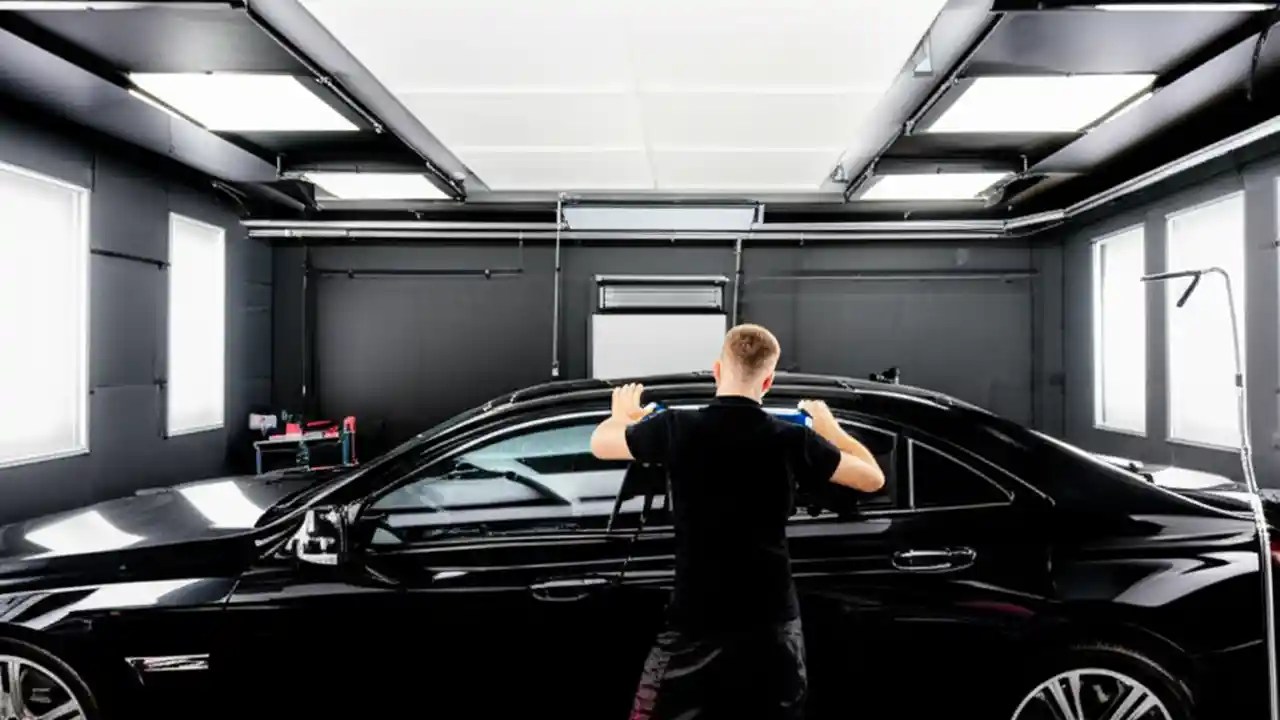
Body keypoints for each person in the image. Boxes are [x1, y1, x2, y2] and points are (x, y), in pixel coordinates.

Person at [589, 323, 886, 720]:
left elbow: (601, 442)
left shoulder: (677, 427)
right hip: (771, 625)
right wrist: (832, 430)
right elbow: (872, 477)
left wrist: (622, 414)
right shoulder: (791, 439)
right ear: (768, 381)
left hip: (695, 620)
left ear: (716, 371)